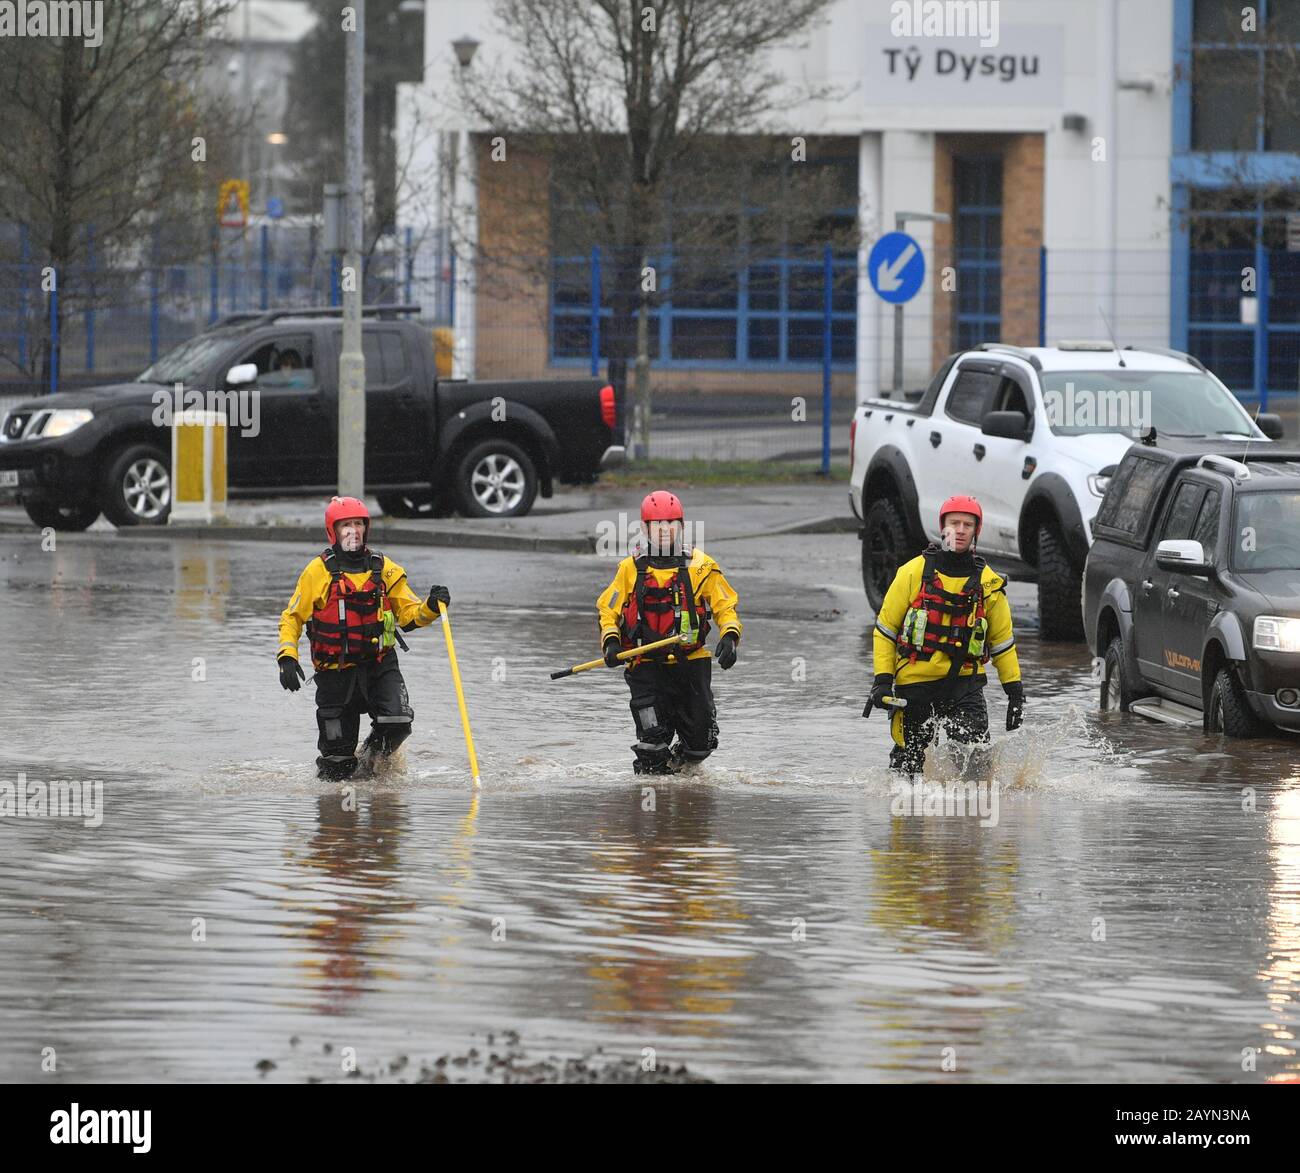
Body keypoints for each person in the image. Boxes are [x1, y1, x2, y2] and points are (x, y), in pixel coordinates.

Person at [277, 496, 452, 780]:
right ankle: (340, 804)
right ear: (333, 531)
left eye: (358, 524)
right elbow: (292, 617)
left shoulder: (384, 568)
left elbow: (409, 615)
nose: (353, 531)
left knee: (398, 720)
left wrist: (431, 607)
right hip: (336, 674)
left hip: (379, 667)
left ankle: (371, 764)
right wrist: (287, 656)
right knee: (337, 765)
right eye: (346, 525)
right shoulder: (316, 573)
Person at [866, 494, 1024, 775]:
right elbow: (885, 630)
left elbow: (1002, 643)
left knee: (976, 767)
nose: (960, 530)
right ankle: (907, 815)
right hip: (915, 683)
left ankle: (968, 818)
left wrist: (1014, 692)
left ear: (976, 531)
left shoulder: (989, 583)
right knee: (908, 769)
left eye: (967, 524)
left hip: (964, 685)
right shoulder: (912, 573)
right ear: (942, 528)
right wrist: (882, 681)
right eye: (954, 523)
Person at [596, 491, 742, 774]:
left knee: (701, 744)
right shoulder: (629, 569)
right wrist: (611, 642)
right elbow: (607, 609)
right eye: (657, 524)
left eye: (670, 523)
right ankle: (654, 795)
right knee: (652, 742)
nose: (664, 530)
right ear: (644, 528)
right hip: (645, 666)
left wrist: (730, 636)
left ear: (682, 526)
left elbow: (726, 606)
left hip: (690, 664)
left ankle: (679, 771)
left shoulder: (702, 566)